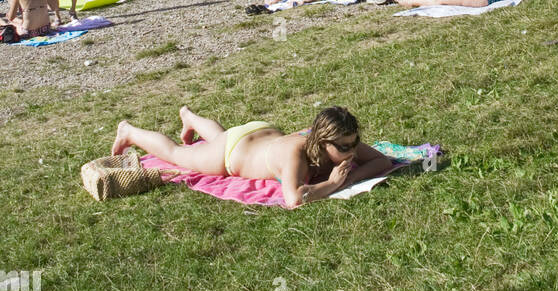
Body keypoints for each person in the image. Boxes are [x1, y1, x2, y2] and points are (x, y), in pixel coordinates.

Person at [110, 105, 394, 209]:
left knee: (222, 135)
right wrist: (333, 184)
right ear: (322, 140)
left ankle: (190, 117)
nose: (352, 152)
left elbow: (383, 162)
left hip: (260, 134)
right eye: (345, 148)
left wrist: (350, 176)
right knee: (176, 153)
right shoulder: (296, 155)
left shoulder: (340, 141)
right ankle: (129, 131)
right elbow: (294, 199)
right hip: (231, 154)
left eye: (354, 144)